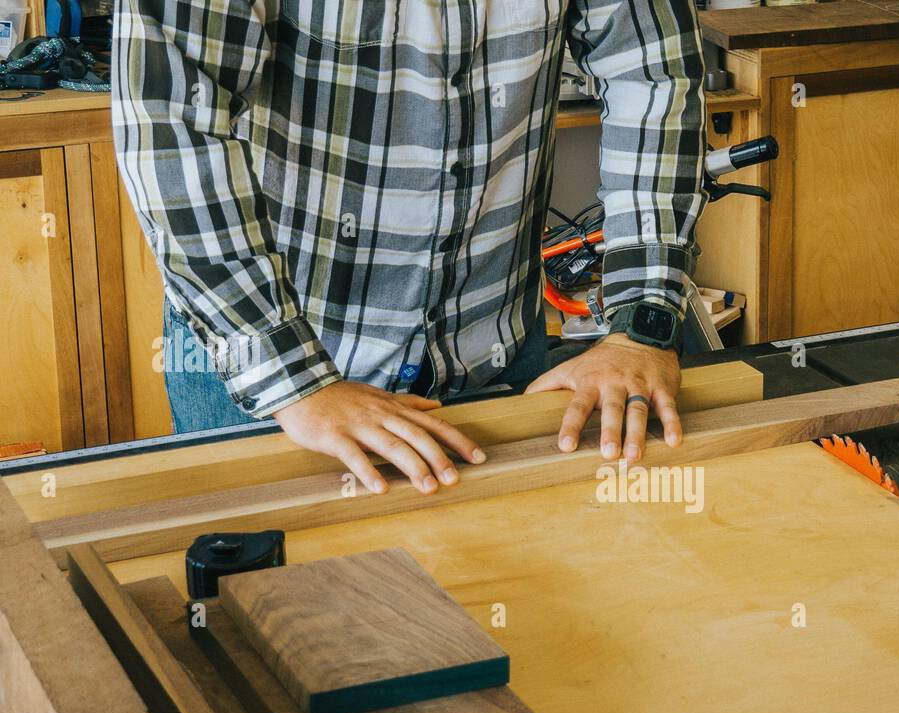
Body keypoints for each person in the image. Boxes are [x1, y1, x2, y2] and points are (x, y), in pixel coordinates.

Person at [112, 1, 706, 494]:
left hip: (492, 358)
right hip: (276, 378)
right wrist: (295, 380)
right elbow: (168, 124)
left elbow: (651, 76)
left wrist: (642, 322)